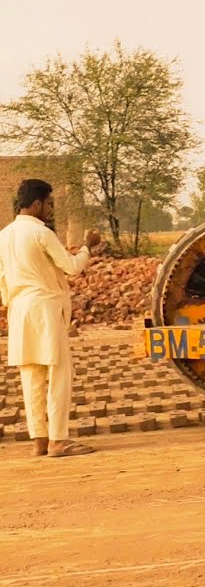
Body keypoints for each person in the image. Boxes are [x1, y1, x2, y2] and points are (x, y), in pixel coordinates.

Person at [0, 179, 101, 457]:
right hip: (45, 308)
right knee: (59, 375)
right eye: (49, 204)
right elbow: (71, 267)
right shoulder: (41, 233)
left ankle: (39, 440)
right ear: (36, 204)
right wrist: (87, 247)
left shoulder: (4, 235)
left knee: (31, 377)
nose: (51, 210)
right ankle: (58, 440)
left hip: (19, 311)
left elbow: (3, 282)